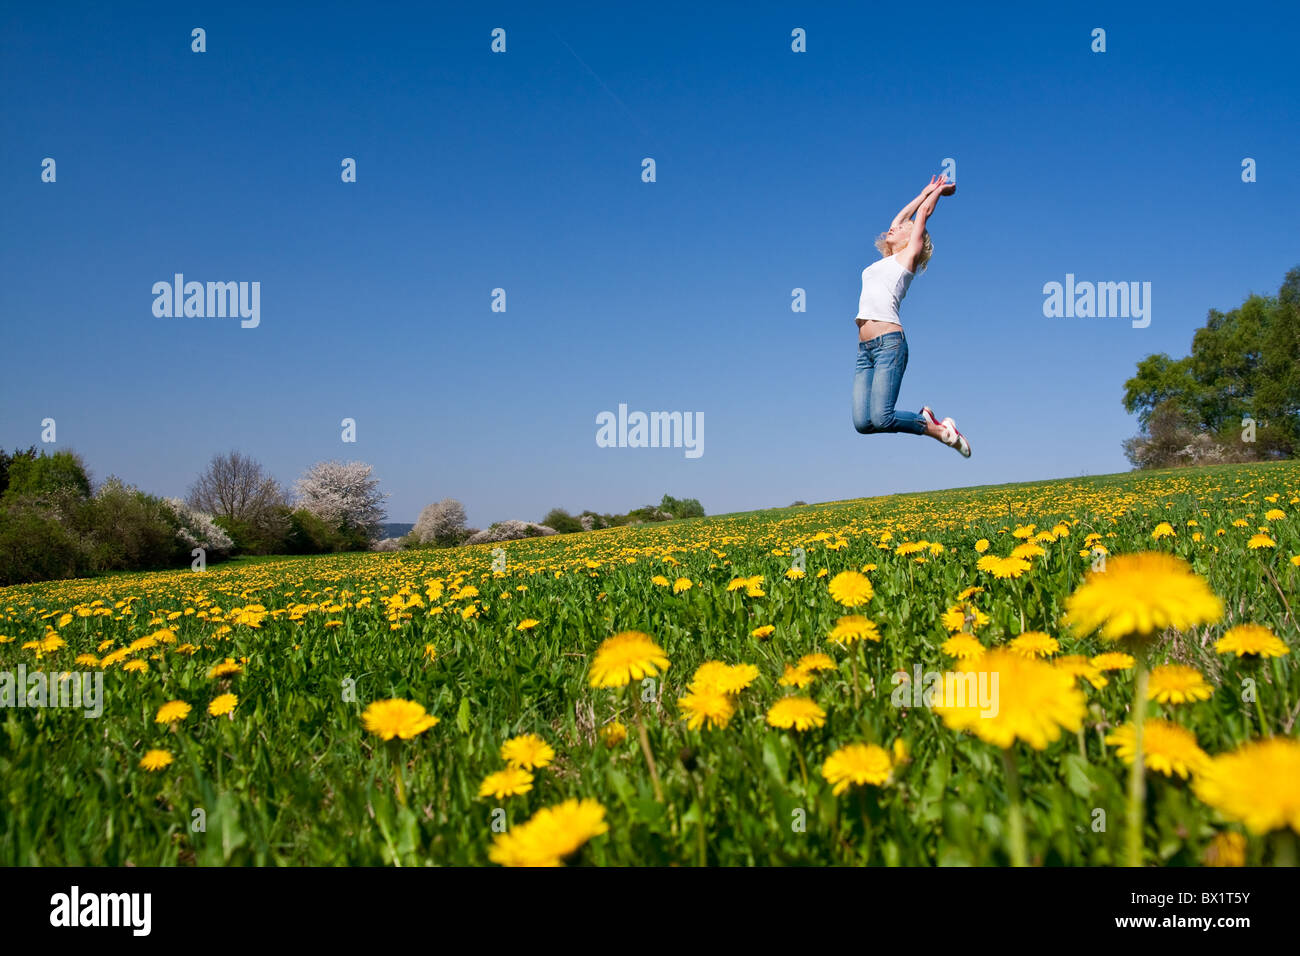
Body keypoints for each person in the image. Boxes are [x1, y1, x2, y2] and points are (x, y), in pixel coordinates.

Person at [852, 175, 971, 457]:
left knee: (882, 417)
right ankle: (932, 424)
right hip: (864, 351)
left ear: (913, 237)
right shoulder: (884, 262)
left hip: (889, 345)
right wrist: (923, 191)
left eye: (904, 227)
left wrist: (938, 192)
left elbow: (923, 215)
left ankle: (938, 430)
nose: (894, 227)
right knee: (863, 423)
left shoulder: (908, 259)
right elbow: (900, 217)